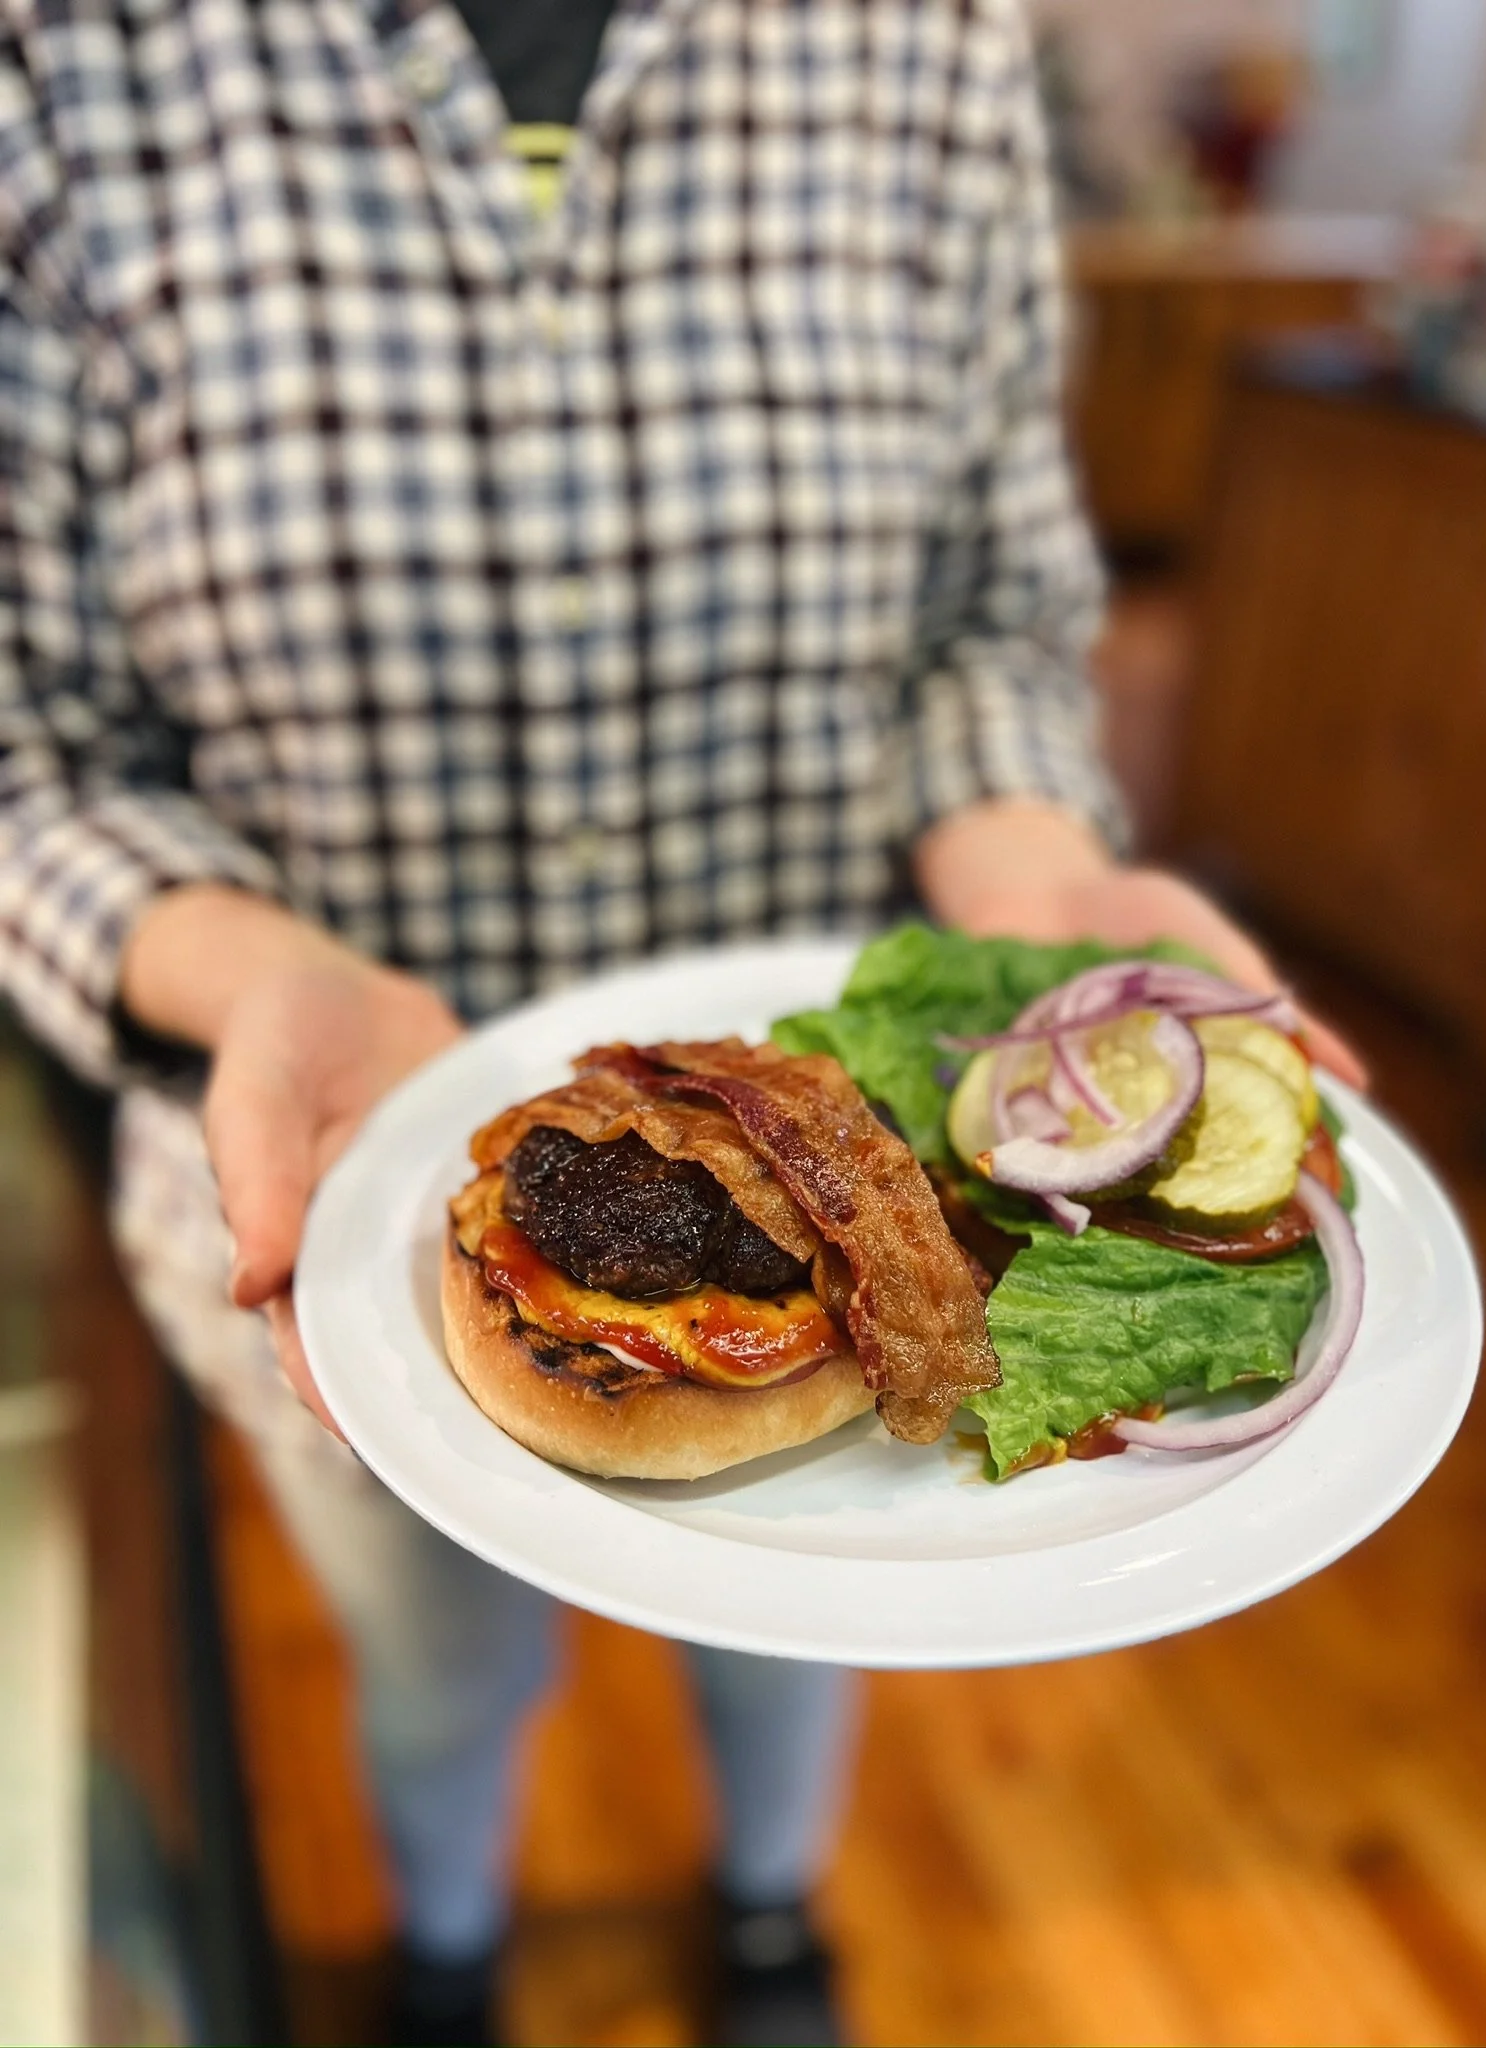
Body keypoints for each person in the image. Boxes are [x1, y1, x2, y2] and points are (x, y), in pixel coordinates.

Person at [0, 2, 1360, 2040]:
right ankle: (450, 1943)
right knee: (442, 1673)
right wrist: (257, 971)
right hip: (338, 1218)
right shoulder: (68, 62)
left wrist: (1042, 896)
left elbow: (988, 625)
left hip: (847, 1164)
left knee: (796, 1642)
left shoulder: (928, 44)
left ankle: (762, 1920)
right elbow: (37, 755)